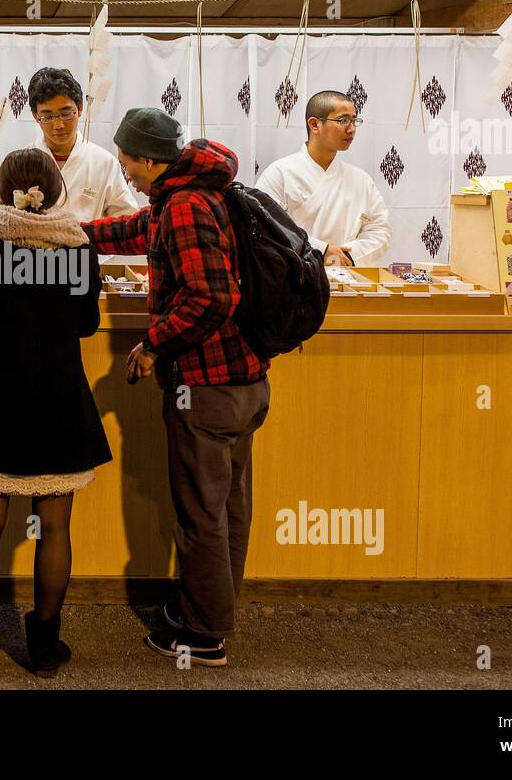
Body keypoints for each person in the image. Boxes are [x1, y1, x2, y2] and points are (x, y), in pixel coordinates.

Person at [82, 108, 270, 668]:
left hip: (207, 385)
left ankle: (203, 633)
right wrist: (72, 234)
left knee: (200, 512)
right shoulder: (194, 194)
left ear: (147, 159)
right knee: (229, 505)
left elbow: (212, 299)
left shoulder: (185, 205)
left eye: (126, 163)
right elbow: (138, 230)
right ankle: (213, 607)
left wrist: (153, 344)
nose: (126, 175)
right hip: (245, 380)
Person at [0, 148, 111, 679]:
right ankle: (45, 649)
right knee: (54, 529)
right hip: (58, 401)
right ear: (54, 192)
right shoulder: (78, 252)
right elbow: (84, 324)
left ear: (1, 188)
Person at [0, 67, 139, 221]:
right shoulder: (20, 164)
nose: (58, 125)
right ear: (35, 116)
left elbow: (126, 220)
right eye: (47, 116)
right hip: (28, 252)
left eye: (66, 114)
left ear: (80, 108)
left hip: (84, 250)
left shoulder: (104, 162)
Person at [256, 89, 392, 266]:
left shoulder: (360, 179)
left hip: (347, 278)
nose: (351, 129)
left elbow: (379, 229)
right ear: (314, 124)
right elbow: (266, 226)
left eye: (354, 120)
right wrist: (322, 250)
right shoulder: (280, 173)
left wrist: (348, 256)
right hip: (295, 278)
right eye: (343, 120)